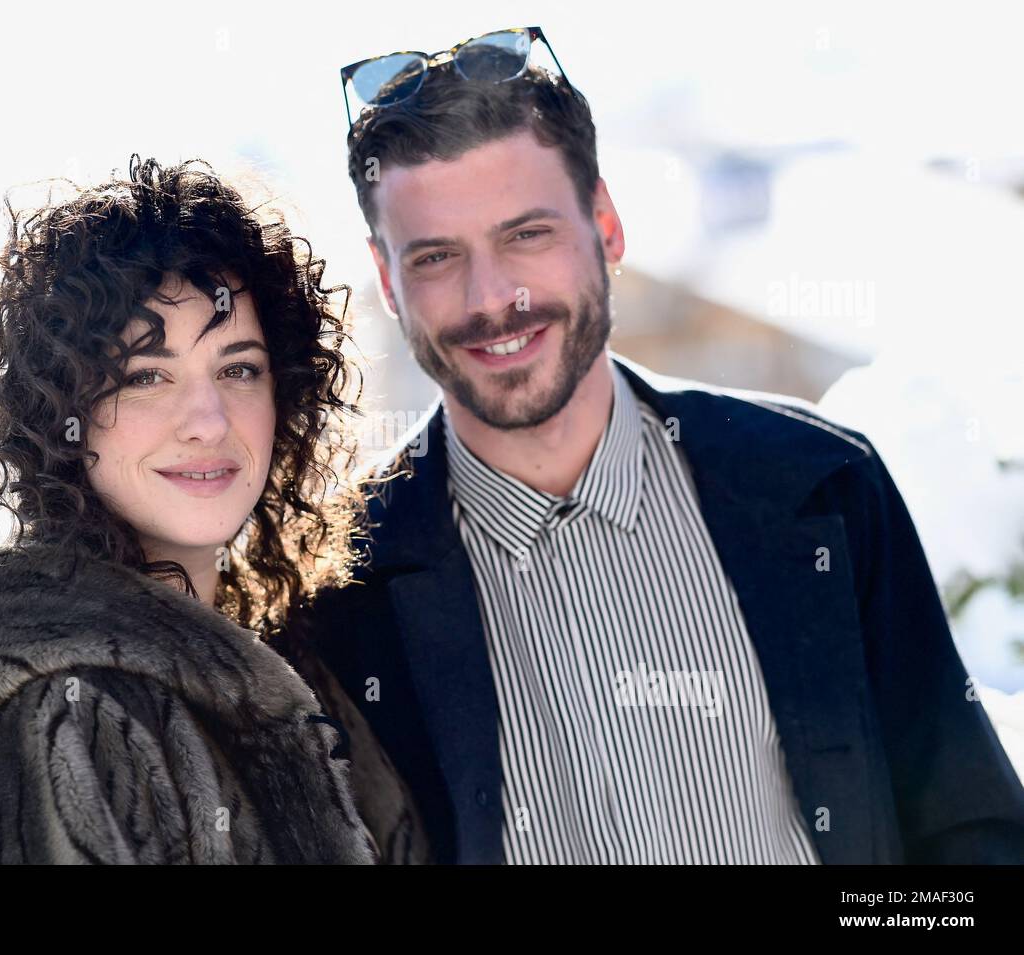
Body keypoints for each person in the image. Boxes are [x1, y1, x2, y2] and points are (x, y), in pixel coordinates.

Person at [288, 25, 1024, 863]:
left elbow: (974, 834)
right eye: (436, 256)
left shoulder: (818, 483)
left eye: (526, 234)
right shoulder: (338, 585)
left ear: (606, 225)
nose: (493, 298)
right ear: (387, 280)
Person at [0, 155, 430, 864]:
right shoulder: (62, 717)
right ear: (61, 413)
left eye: (238, 368)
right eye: (147, 375)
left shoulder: (285, 667)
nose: (207, 420)